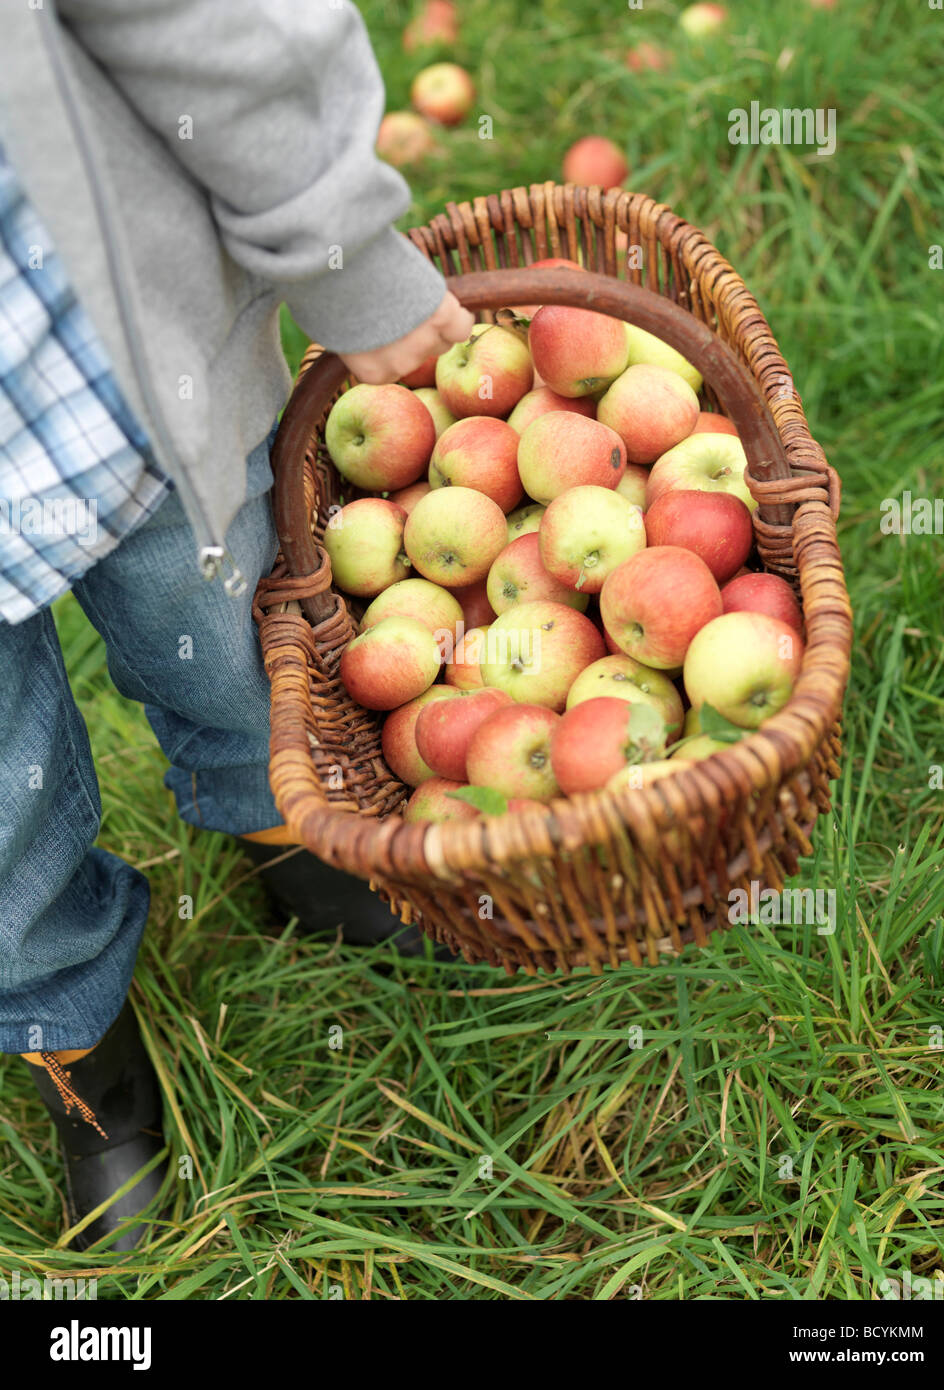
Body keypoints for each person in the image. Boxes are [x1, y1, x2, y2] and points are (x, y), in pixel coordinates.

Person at [0, 0, 474, 1251]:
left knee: (230, 633)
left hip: (110, 367)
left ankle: (281, 820)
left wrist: (343, 253)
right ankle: (72, 1039)